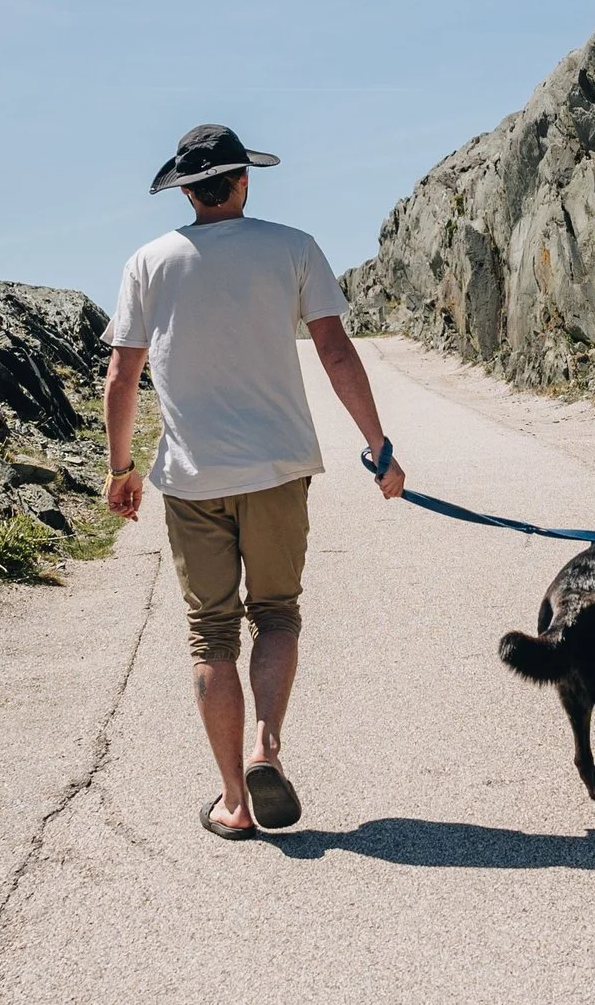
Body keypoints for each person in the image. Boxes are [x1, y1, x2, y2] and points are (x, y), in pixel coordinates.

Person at [106, 122, 406, 840]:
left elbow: (123, 375)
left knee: (211, 636)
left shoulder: (149, 261)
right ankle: (268, 744)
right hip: (277, 469)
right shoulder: (294, 247)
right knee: (276, 614)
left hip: (191, 476)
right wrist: (378, 446)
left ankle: (235, 802)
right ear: (244, 181)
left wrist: (121, 469)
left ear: (184, 190)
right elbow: (335, 351)